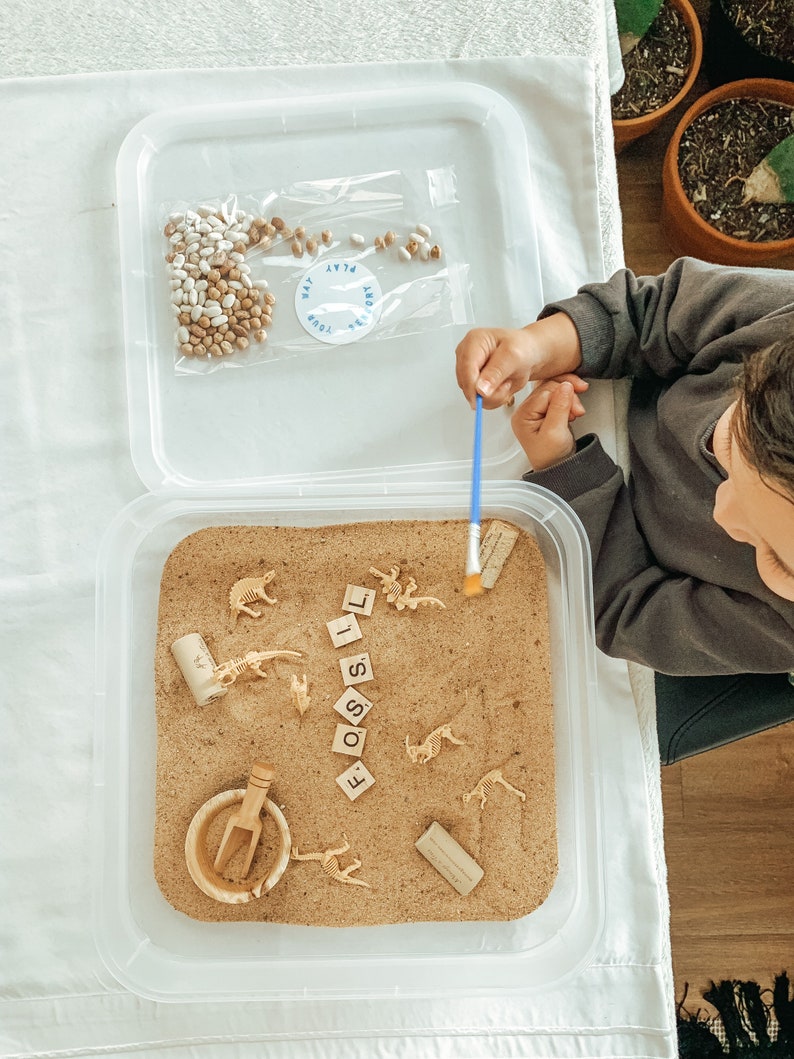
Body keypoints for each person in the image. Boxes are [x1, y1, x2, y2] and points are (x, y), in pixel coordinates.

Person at [455, 257, 794, 764]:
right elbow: (652, 310)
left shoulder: (783, 623)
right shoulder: (781, 322)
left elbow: (628, 612)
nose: (725, 514)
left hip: (610, 536)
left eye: (775, 559)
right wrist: (538, 346)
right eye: (727, 446)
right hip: (618, 390)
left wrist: (566, 470)